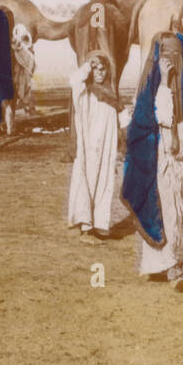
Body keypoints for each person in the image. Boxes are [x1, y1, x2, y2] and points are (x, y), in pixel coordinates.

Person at [121, 32, 183, 290]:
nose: (171, 60)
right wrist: (163, 80)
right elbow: (156, 113)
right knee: (169, 207)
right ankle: (172, 268)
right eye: (165, 53)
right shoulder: (153, 82)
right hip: (163, 150)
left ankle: (180, 265)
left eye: (176, 54)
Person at [67, 50, 122, 238]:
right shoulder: (84, 91)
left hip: (107, 148)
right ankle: (86, 225)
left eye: (103, 69)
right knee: (87, 182)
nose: (99, 73)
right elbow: (74, 81)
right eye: (96, 69)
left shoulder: (110, 93)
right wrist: (87, 65)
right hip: (89, 148)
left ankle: (100, 224)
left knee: (105, 183)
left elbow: (122, 119)